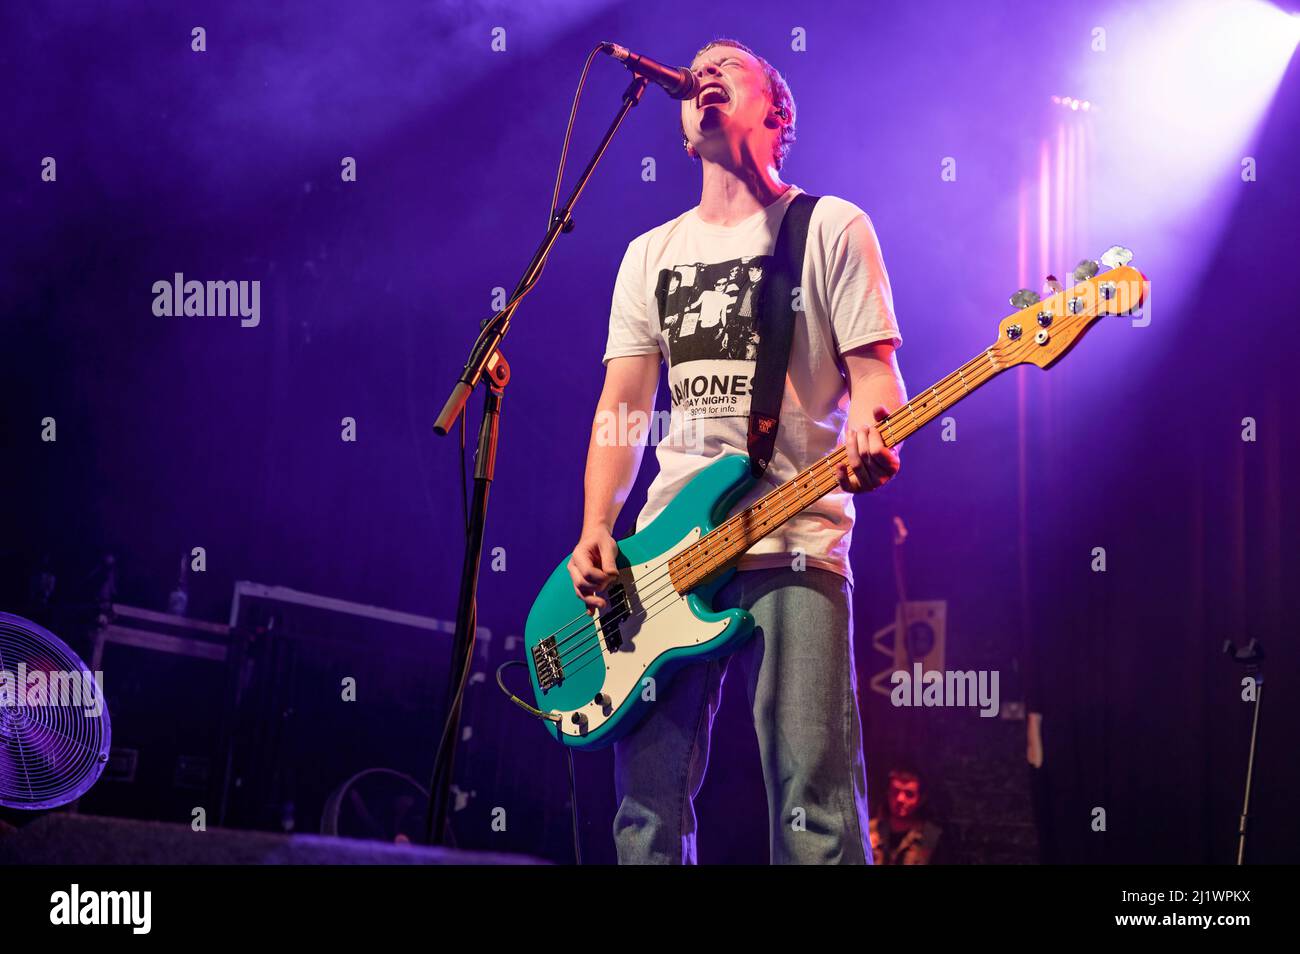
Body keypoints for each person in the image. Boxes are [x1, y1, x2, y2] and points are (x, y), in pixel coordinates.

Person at [567, 38, 906, 864]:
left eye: (732, 65)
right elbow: (623, 407)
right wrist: (595, 526)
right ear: (685, 127)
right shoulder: (649, 254)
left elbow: (879, 382)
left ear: (776, 113)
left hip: (797, 541)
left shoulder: (831, 227)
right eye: (697, 70)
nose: (705, 71)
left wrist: (873, 430)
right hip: (664, 557)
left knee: (814, 808)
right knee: (644, 814)